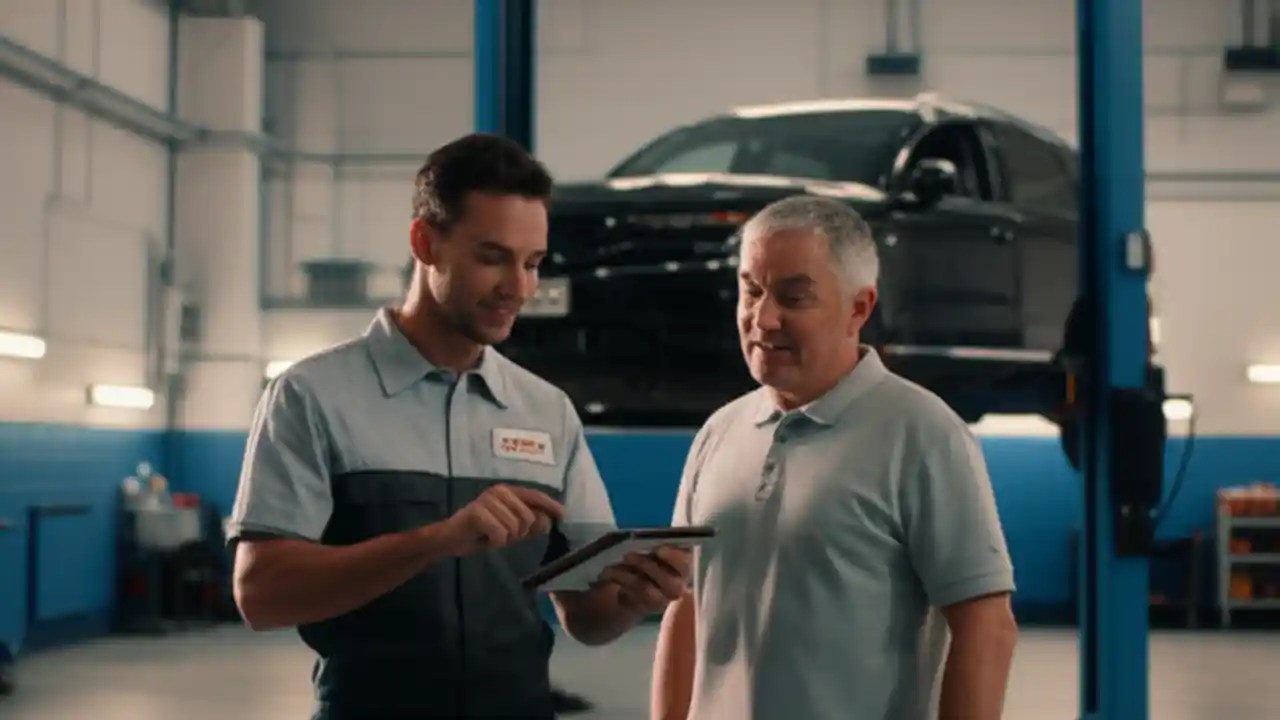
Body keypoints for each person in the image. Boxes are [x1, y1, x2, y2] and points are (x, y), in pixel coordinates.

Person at [228, 132, 691, 720]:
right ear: (425, 241)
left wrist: (633, 597)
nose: (519, 288)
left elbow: (587, 619)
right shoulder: (311, 396)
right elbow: (261, 595)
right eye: (492, 257)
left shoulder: (547, 411)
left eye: (532, 264)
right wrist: (436, 541)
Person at [650, 195, 1019, 720]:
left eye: (793, 298)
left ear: (859, 308)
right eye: (751, 291)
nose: (762, 318)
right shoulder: (719, 431)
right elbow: (687, 606)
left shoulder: (922, 433)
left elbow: (987, 625)